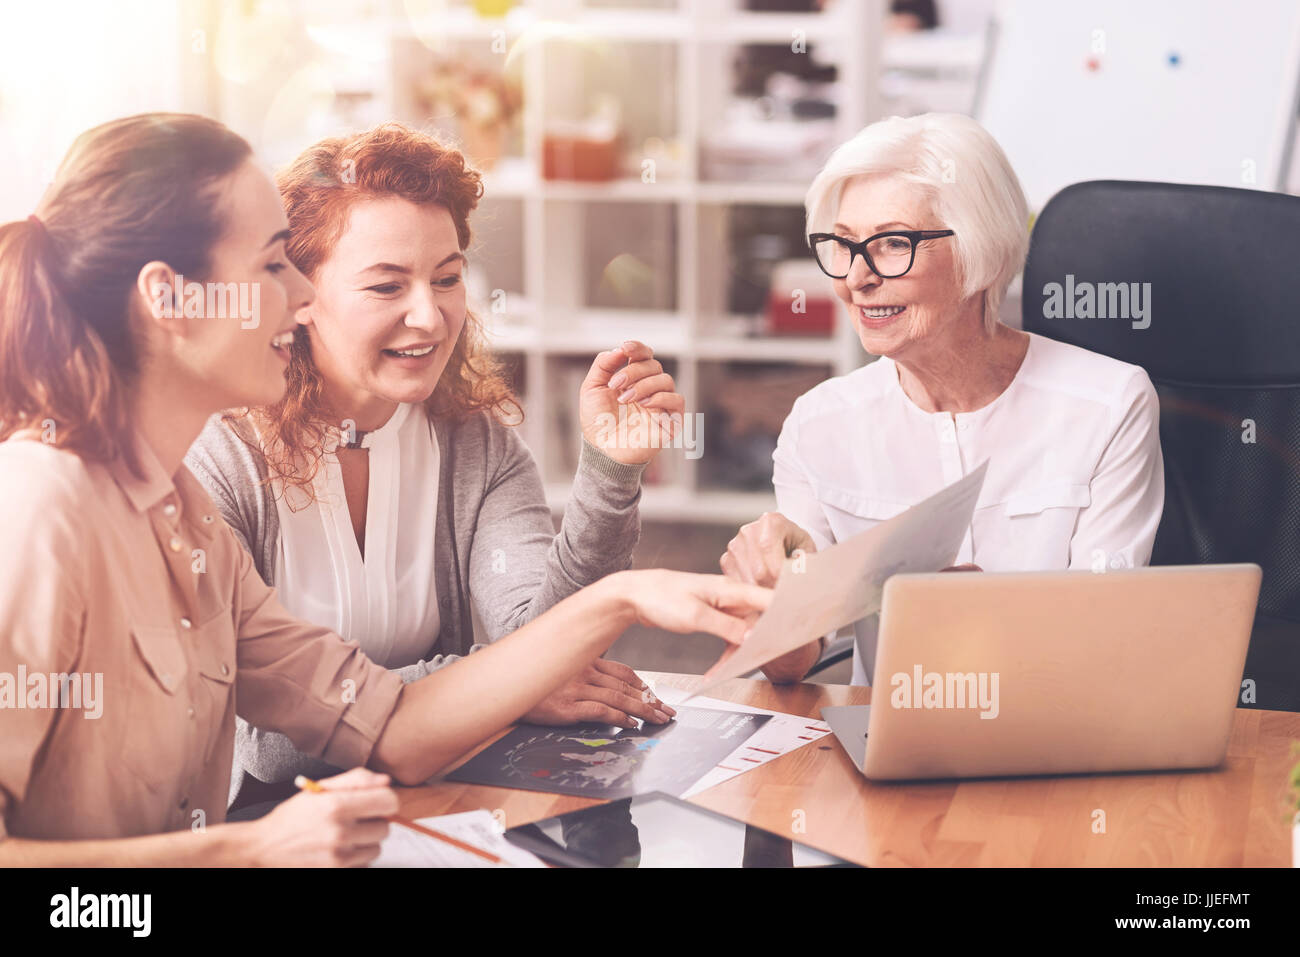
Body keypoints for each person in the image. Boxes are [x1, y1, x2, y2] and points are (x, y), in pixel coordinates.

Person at [0, 113, 769, 865]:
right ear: (170, 298)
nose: (300, 297)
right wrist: (249, 850)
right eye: (273, 265)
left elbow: (390, 722)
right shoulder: (38, 510)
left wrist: (620, 595)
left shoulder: (183, 517)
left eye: (447, 277)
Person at [184, 123, 686, 809]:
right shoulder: (220, 460)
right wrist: (490, 678)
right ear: (301, 296)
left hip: (431, 803)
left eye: (447, 278)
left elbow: (543, 645)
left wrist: (610, 471)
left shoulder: (474, 442)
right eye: (387, 287)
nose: (430, 315)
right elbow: (263, 742)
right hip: (271, 825)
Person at [720, 112, 1164, 686]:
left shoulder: (1108, 404)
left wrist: (990, 621)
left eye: (891, 244)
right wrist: (772, 606)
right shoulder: (819, 424)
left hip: (1055, 729)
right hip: (889, 738)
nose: (857, 278)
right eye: (843, 245)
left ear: (979, 250)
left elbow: (1107, 640)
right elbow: (791, 666)